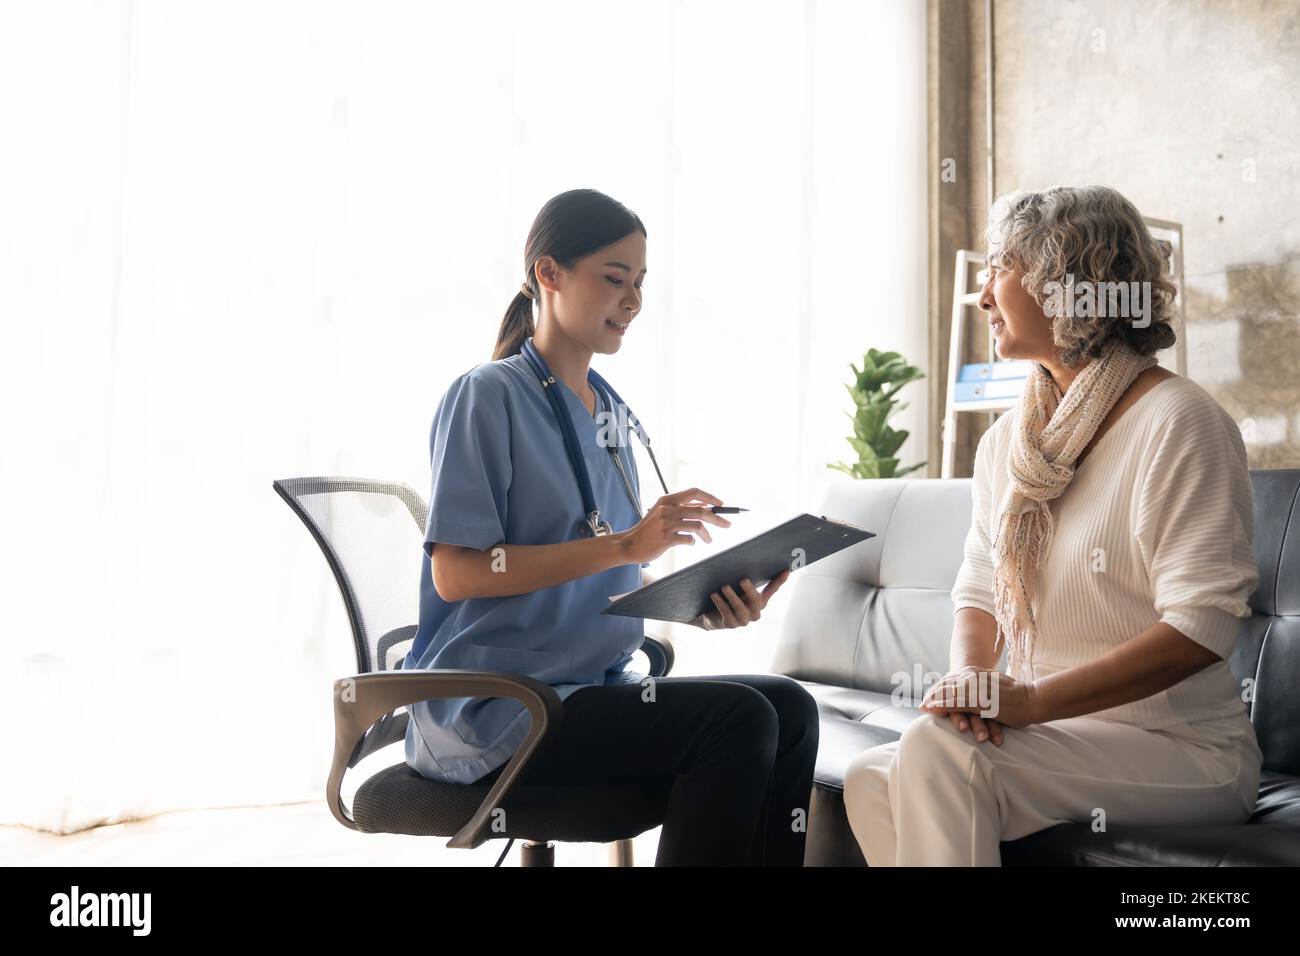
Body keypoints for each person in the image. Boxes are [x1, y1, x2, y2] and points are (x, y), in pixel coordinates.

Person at [843, 184, 1264, 866]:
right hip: (1061, 737)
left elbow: (1200, 628)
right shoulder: (1007, 441)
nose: (983, 297)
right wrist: (973, 684)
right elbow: (979, 590)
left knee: (935, 757)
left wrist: (1033, 703)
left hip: (1183, 753)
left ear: (1067, 282)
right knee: (872, 777)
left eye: (998, 270)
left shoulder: (1180, 422)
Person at [404, 187, 819, 866]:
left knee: (789, 707)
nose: (633, 301)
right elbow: (456, 573)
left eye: (640, 284)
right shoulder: (487, 396)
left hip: (588, 691)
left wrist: (703, 604)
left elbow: (604, 575)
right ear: (548, 273)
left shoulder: (614, 421)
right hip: (501, 704)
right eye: (615, 279)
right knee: (736, 721)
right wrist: (624, 544)